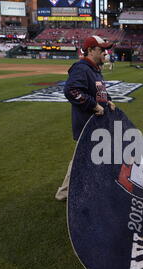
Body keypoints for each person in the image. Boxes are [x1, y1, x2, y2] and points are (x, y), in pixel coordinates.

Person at [55, 35, 116, 201]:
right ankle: (66, 193)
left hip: (96, 124)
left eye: (106, 49)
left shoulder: (94, 69)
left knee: (86, 159)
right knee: (82, 160)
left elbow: (99, 93)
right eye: (101, 49)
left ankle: (68, 191)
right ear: (90, 50)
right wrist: (93, 105)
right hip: (87, 124)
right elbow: (71, 91)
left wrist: (107, 101)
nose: (105, 52)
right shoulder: (82, 68)